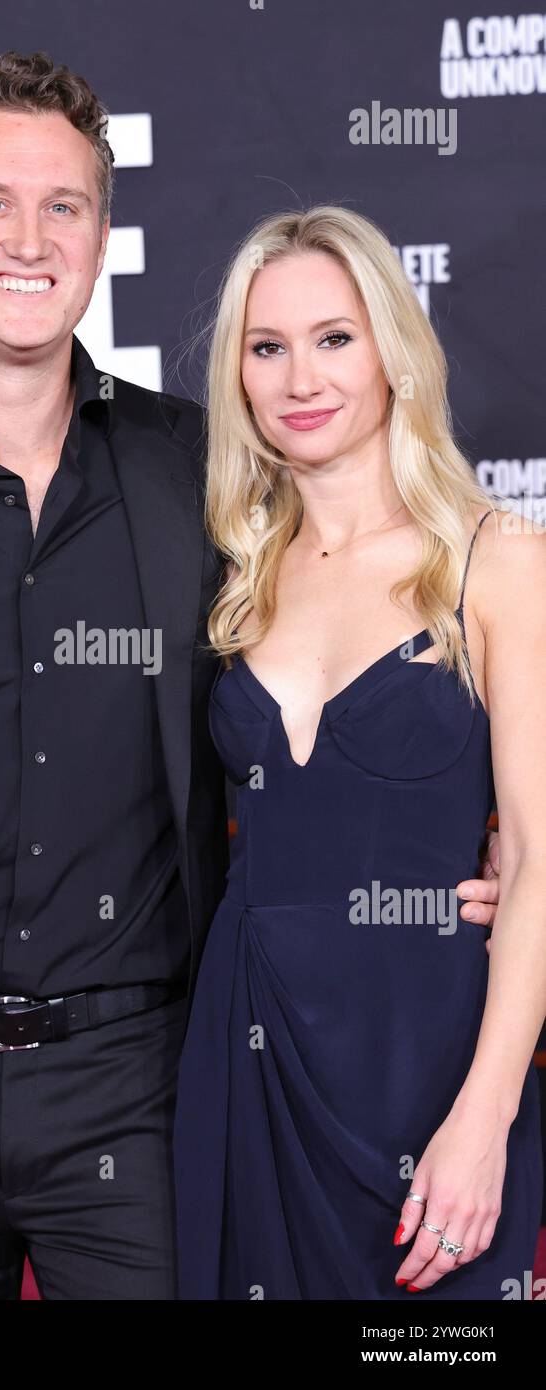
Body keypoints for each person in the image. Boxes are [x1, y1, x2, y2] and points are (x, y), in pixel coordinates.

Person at [0, 51, 502, 1301]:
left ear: (104, 234)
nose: (30, 237)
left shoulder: (206, 478)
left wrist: (471, 847)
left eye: (63, 205)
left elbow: (365, 642)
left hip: (143, 1095)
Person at [172, 205, 545, 1300]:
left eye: (335, 337)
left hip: (432, 1058)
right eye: (267, 346)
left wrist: (487, 1112)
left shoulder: (498, 560)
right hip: (245, 1049)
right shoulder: (230, 573)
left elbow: (532, 859)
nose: (301, 377)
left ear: (394, 349)